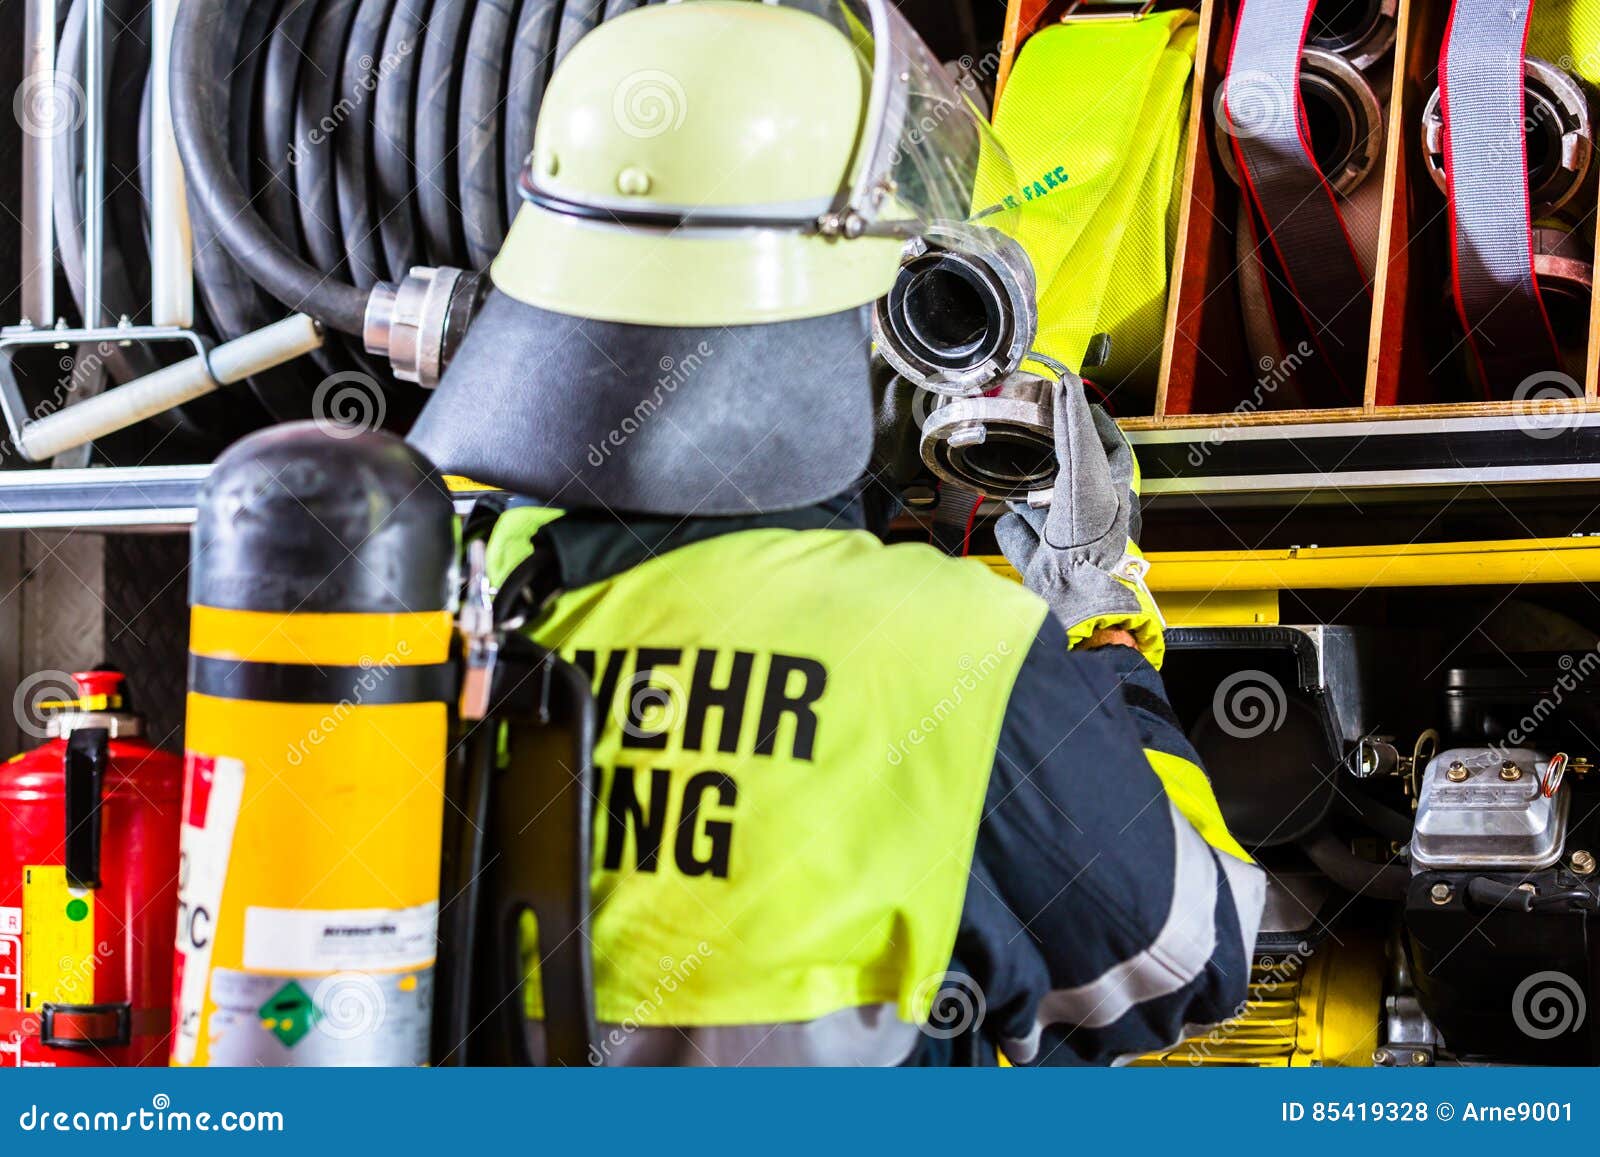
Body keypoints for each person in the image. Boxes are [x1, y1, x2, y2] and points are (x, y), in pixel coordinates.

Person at [407, 0, 1263, 1066]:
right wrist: (1104, 629)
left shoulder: (444, 590)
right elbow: (1189, 957)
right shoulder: (946, 647)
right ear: (841, 308)